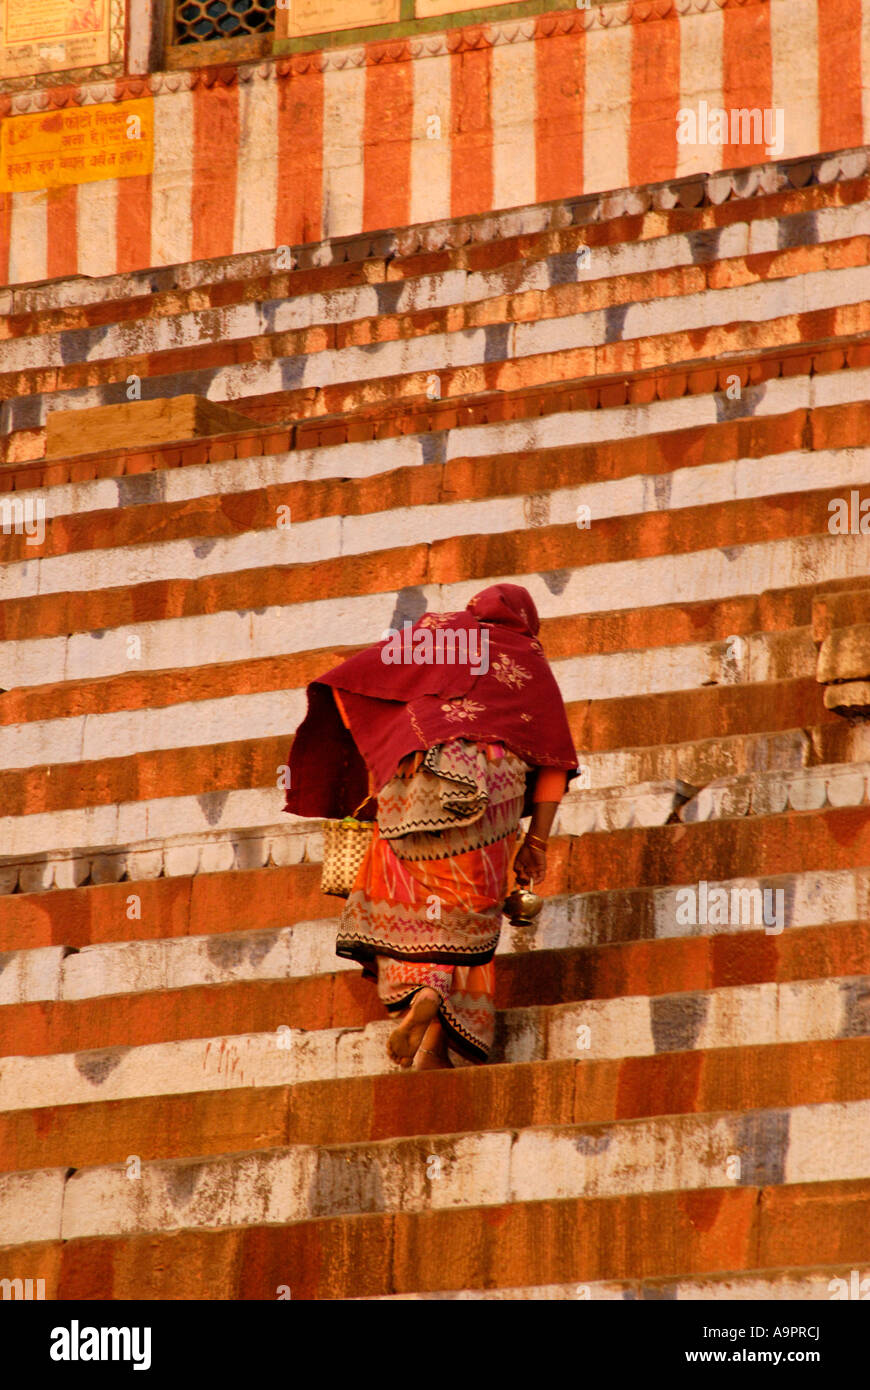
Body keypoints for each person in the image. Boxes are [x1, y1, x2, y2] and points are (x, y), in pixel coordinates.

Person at [284, 583, 577, 1071]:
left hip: (414, 781)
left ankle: (432, 1039)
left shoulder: (438, 636)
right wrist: (537, 842)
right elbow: (552, 763)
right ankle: (434, 1009)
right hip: (491, 790)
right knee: (464, 919)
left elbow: (348, 681)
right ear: (525, 620)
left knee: (413, 912)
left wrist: (380, 755)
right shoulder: (526, 658)